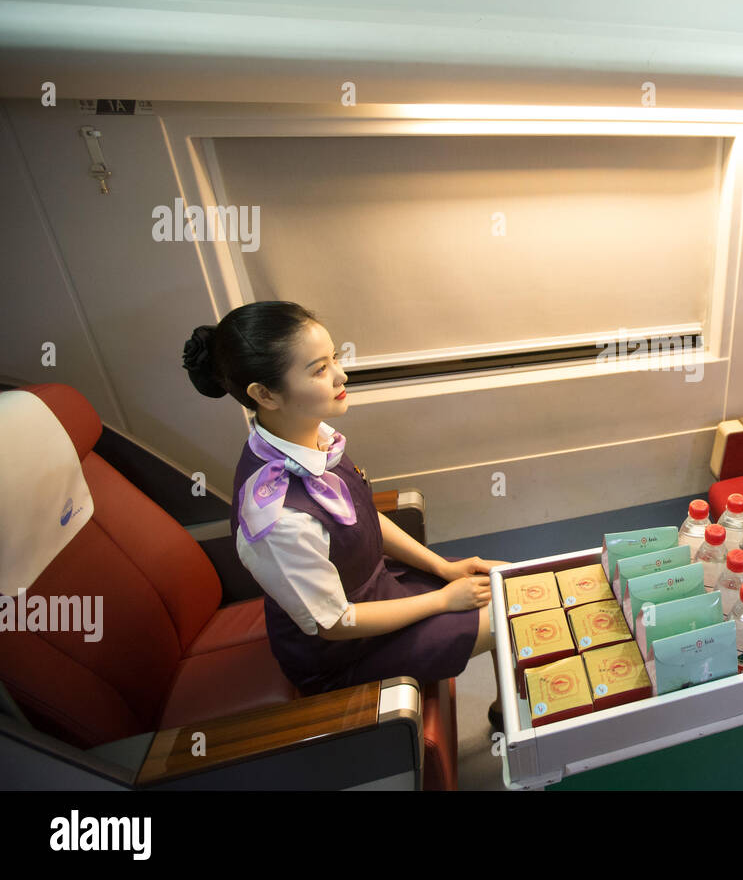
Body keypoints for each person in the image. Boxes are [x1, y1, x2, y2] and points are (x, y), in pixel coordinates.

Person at [182, 301, 506, 725]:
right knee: (510, 612)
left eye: (333, 359)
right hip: (344, 653)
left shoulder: (309, 436)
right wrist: (441, 600)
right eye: (319, 370)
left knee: (509, 578)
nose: (342, 375)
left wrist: (444, 569)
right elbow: (335, 622)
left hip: (379, 590)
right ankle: (516, 726)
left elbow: (363, 515)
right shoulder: (277, 517)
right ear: (265, 394)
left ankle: (509, 711)